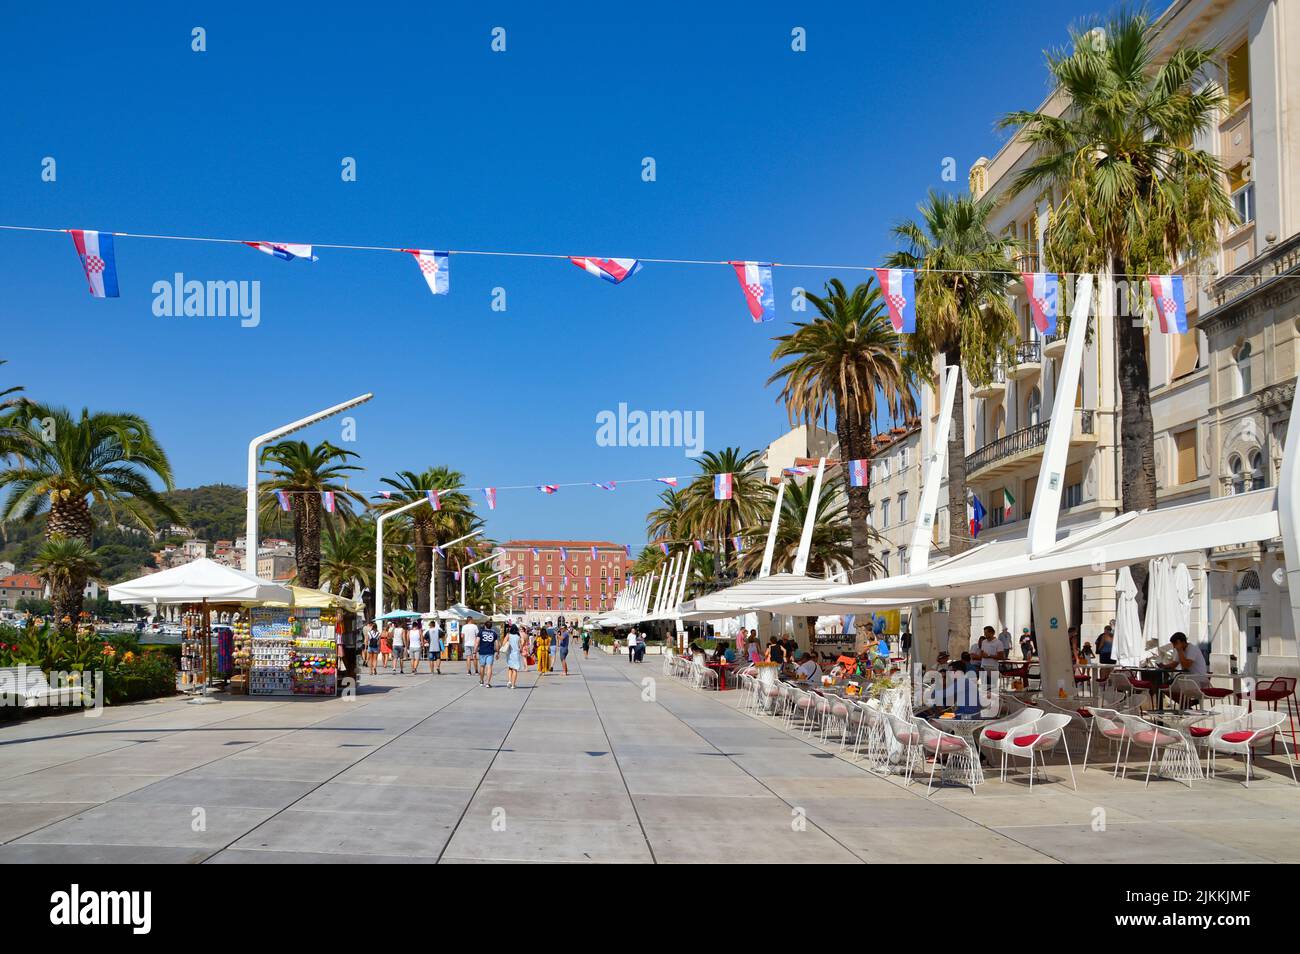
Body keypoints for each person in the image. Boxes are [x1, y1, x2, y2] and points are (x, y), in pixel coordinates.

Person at [477, 620, 499, 687]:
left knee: (482, 666)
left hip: (482, 652)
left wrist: (475, 650)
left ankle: (481, 681)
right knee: (489, 667)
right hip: (490, 652)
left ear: (485, 626)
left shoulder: (480, 632)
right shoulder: (494, 633)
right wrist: (497, 652)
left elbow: (477, 642)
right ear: (491, 626)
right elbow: (497, 644)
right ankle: (488, 683)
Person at [505, 623, 523, 689]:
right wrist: (521, 650)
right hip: (516, 654)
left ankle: (509, 681)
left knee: (510, 667)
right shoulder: (518, 636)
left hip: (509, 653)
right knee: (515, 669)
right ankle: (513, 685)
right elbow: (520, 646)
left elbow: (504, 643)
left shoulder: (508, 635)